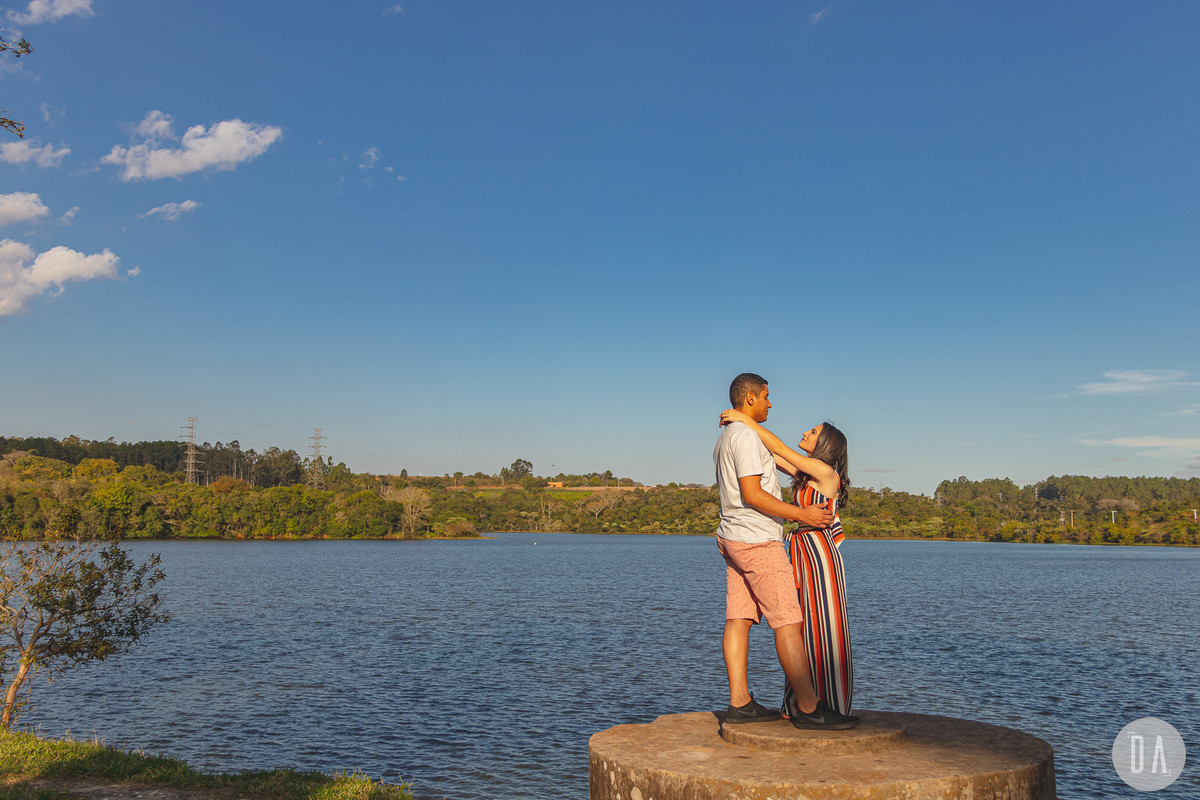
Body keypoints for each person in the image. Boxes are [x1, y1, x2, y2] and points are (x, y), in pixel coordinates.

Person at [713, 373, 859, 730]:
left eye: (813, 432)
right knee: (789, 624)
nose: (771, 403)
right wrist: (801, 515)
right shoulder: (746, 437)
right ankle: (809, 709)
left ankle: (741, 702)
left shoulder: (731, 436)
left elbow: (778, 450)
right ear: (751, 398)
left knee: (740, 619)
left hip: (738, 537)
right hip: (759, 541)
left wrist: (742, 419)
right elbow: (757, 488)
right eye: (765, 397)